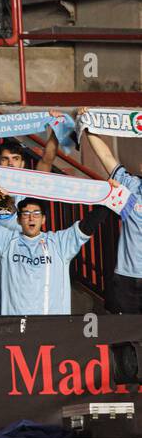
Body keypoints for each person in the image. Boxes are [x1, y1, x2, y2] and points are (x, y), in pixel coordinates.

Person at [0, 189, 119, 316]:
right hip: (13, 330)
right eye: (26, 214)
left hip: (50, 331)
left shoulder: (59, 243)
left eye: (36, 214)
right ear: (18, 220)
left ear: (44, 219)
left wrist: (110, 197)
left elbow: (87, 226)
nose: (31, 218)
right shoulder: (5, 240)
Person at [80, 121, 142, 313]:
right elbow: (105, 155)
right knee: (122, 338)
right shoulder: (130, 185)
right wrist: (87, 123)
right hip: (126, 277)